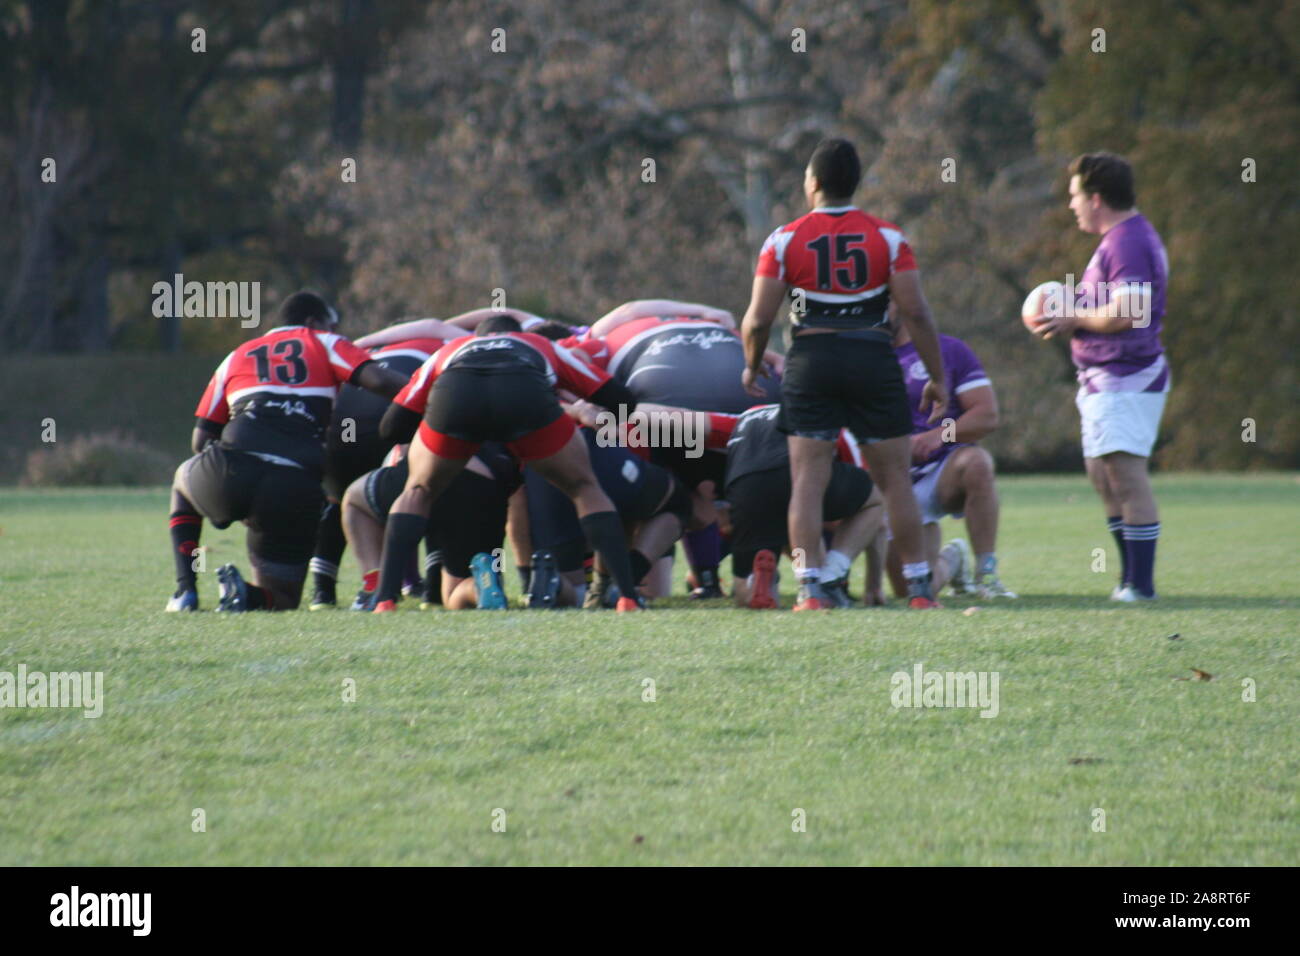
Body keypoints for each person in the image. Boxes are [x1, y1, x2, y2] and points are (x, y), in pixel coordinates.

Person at [740, 137, 947, 610]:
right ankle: (919, 589)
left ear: (812, 184)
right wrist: (938, 376)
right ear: (854, 184)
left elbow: (756, 320)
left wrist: (751, 365)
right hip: (873, 359)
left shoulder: (784, 239)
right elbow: (916, 312)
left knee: (808, 477)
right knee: (895, 477)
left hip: (811, 360)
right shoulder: (890, 238)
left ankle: (811, 587)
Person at [370, 314, 646, 613]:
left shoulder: (450, 350)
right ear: (515, 334)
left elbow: (390, 428)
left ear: (478, 336)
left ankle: (385, 598)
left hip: (457, 395)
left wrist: (443, 427)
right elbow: (620, 399)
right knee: (584, 487)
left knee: (419, 490)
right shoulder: (540, 344)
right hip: (524, 397)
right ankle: (627, 597)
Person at [165, 290, 408, 612]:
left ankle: (186, 591)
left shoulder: (237, 355)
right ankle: (245, 595)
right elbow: (378, 379)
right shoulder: (324, 342)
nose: (336, 333)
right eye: (332, 325)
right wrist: (429, 394)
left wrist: (228, 487)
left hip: (233, 467)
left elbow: (200, 442)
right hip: (294, 484)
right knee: (282, 599)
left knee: (183, 477)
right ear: (314, 322)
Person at [1029, 152, 1170, 601]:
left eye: (1074, 196)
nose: (1071, 205)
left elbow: (1131, 310)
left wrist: (1072, 315)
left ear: (1096, 198)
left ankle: (1140, 585)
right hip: (1103, 380)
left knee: (1125, 477)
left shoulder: (1127, 241)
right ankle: (1129, 578)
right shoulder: (1116, 241)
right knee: (1102, 474)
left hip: (1126, 377)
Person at [869, 325, 1015, 601]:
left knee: (977, 463)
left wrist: (940, 434)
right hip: (889, 481)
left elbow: (987, 415)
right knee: (908, 590)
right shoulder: (857, 355)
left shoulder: (948, 350)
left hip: (941, 470)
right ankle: (952, 559)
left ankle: (987, 574)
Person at [308, 335, 448, 610]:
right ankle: (431, 588)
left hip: (340, 429)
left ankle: (324, 592)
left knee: (340, 500)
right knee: (423, 490)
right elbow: (434, 325)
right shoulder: (436, 341)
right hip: (393, 415)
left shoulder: (359, 353)